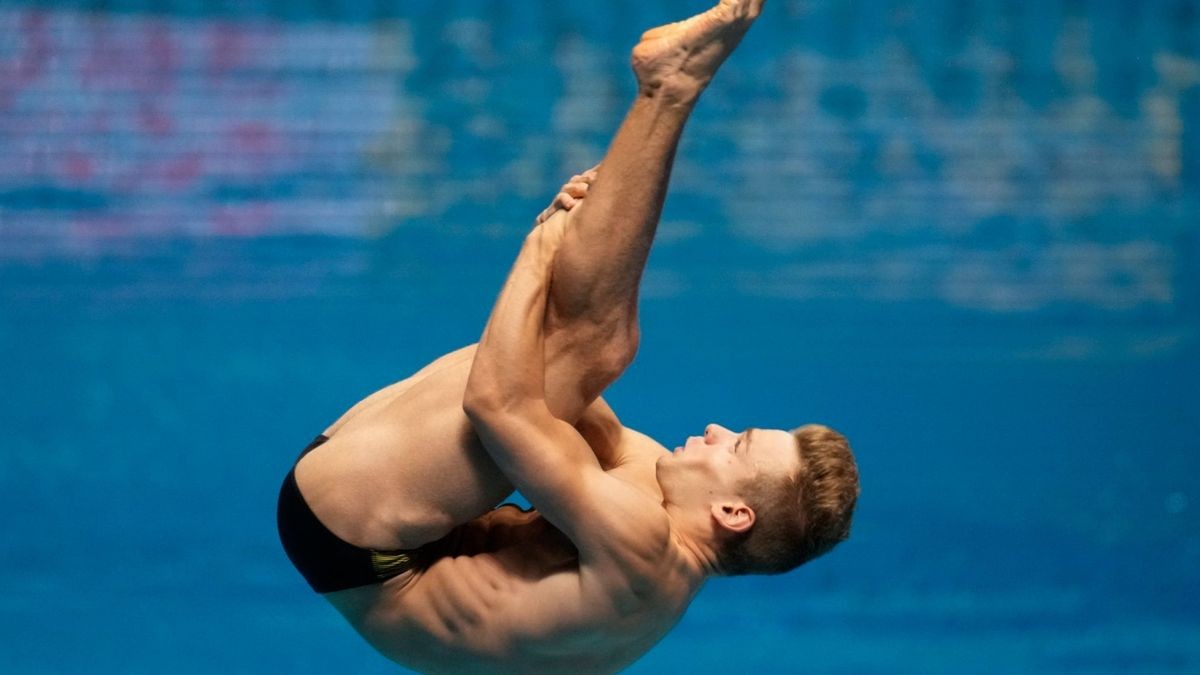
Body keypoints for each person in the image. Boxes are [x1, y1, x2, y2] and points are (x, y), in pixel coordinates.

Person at [276, 1, 859, 672]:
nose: (717, 428)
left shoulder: (644, 553)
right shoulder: (660, 527)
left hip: (356, 532)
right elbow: (573, 400)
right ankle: (667, 90)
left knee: (583, 352)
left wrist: (541, 247)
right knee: (590, 355)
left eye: (739, 444)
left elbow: (496, 405)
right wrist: (588, 226)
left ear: (732, 512)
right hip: (366, 520)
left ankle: (671, 87)